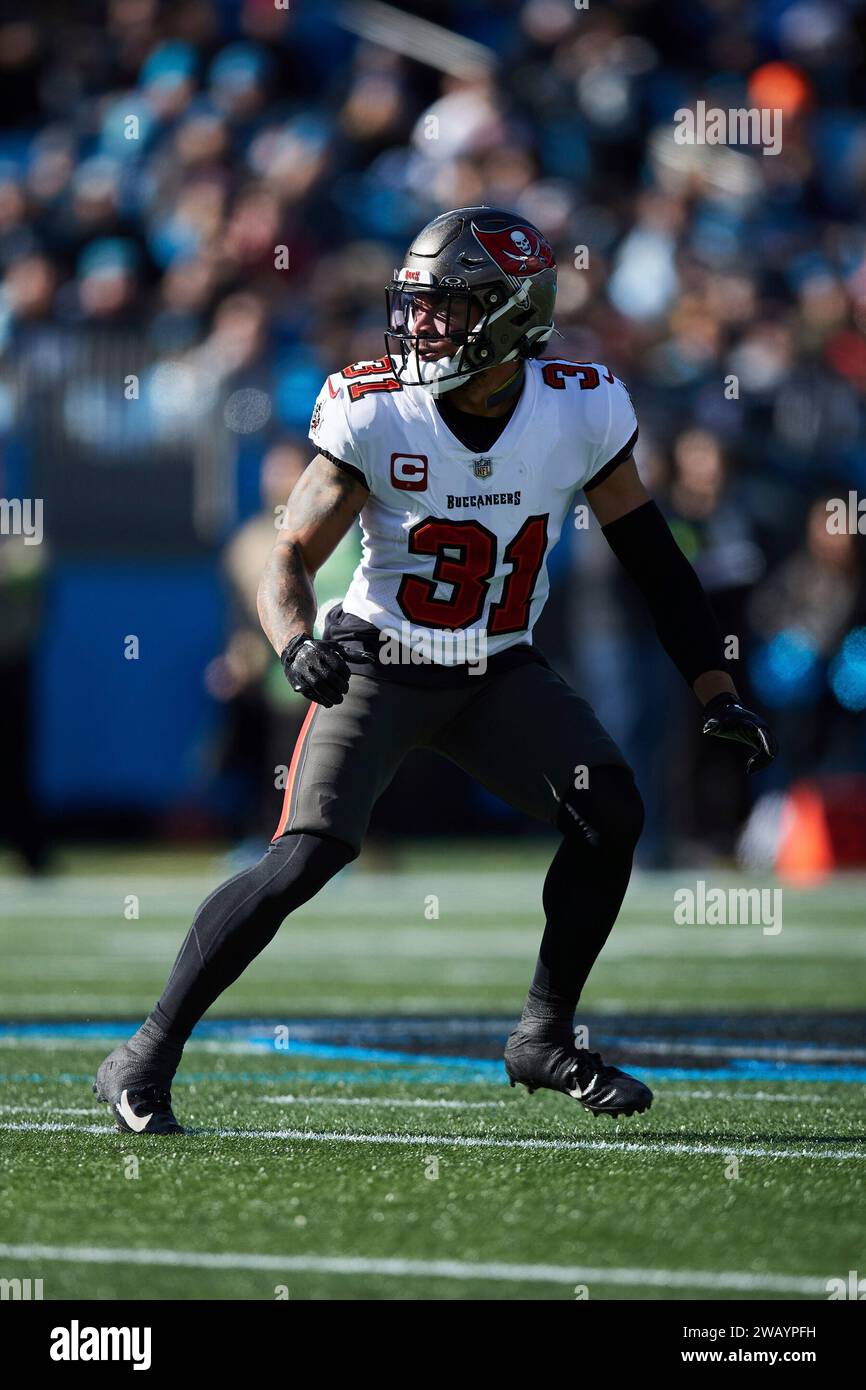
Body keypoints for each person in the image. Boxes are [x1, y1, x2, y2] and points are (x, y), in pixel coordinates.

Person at [94, 206, 777, 1134]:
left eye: (445, 307)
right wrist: (297, 641)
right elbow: (287, 554)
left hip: (497, 668)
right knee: (306, 856)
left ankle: (543, 1035)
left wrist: (716, 688)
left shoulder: (578, 403)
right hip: (378, 663)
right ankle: (143, 1055)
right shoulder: (375, 406)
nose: (419, 326)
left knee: (611, 811)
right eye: (415, 306)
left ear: (510, 315)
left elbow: (655, 559)